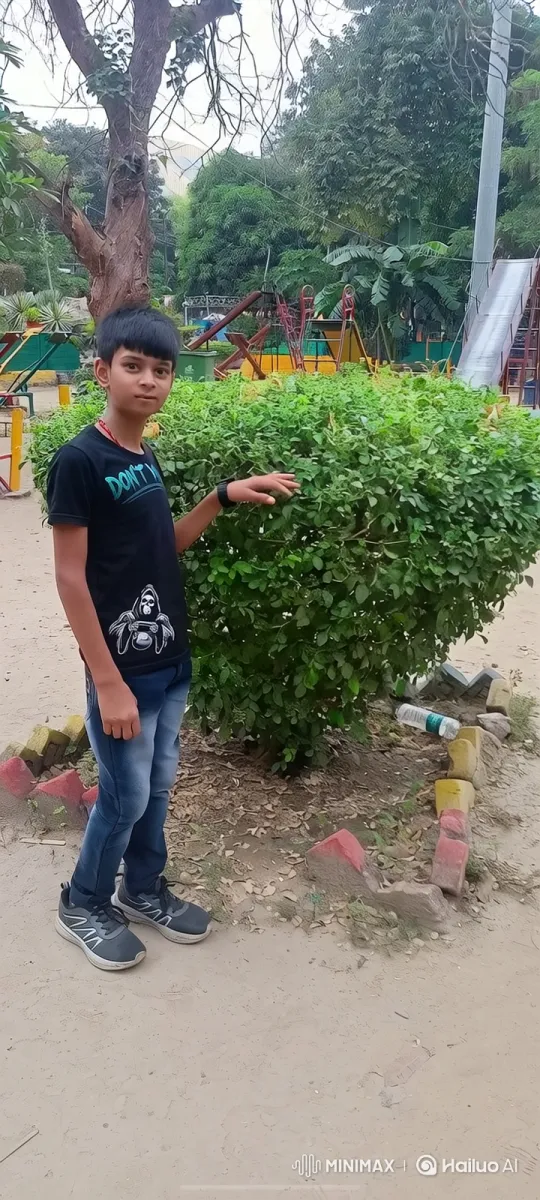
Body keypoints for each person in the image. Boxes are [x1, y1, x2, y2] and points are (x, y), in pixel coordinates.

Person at [47, 306, 299, 971]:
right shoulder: (79, 460)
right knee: (125, 795)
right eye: (134, 366)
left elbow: (166, 546)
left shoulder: (142, 452)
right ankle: (83, 900)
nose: (150, 380)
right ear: (103, 371)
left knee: (156, 788)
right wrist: (106, 682)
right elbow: (71, 580)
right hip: (121, 670)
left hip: (169, 662)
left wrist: (220, 496)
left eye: (161, 369)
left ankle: (143, 888)